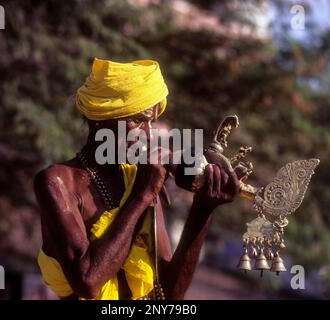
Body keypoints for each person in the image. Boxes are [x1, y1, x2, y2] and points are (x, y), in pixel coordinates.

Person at [34, 58, 240, 300]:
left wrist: (202, 210)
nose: (148, 134)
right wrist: (142, 195)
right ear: (102, 119)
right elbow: (87, 282)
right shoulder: (57, 182)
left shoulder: (137, 178)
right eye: (139, 121)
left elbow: (169, 296)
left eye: (151, 122)